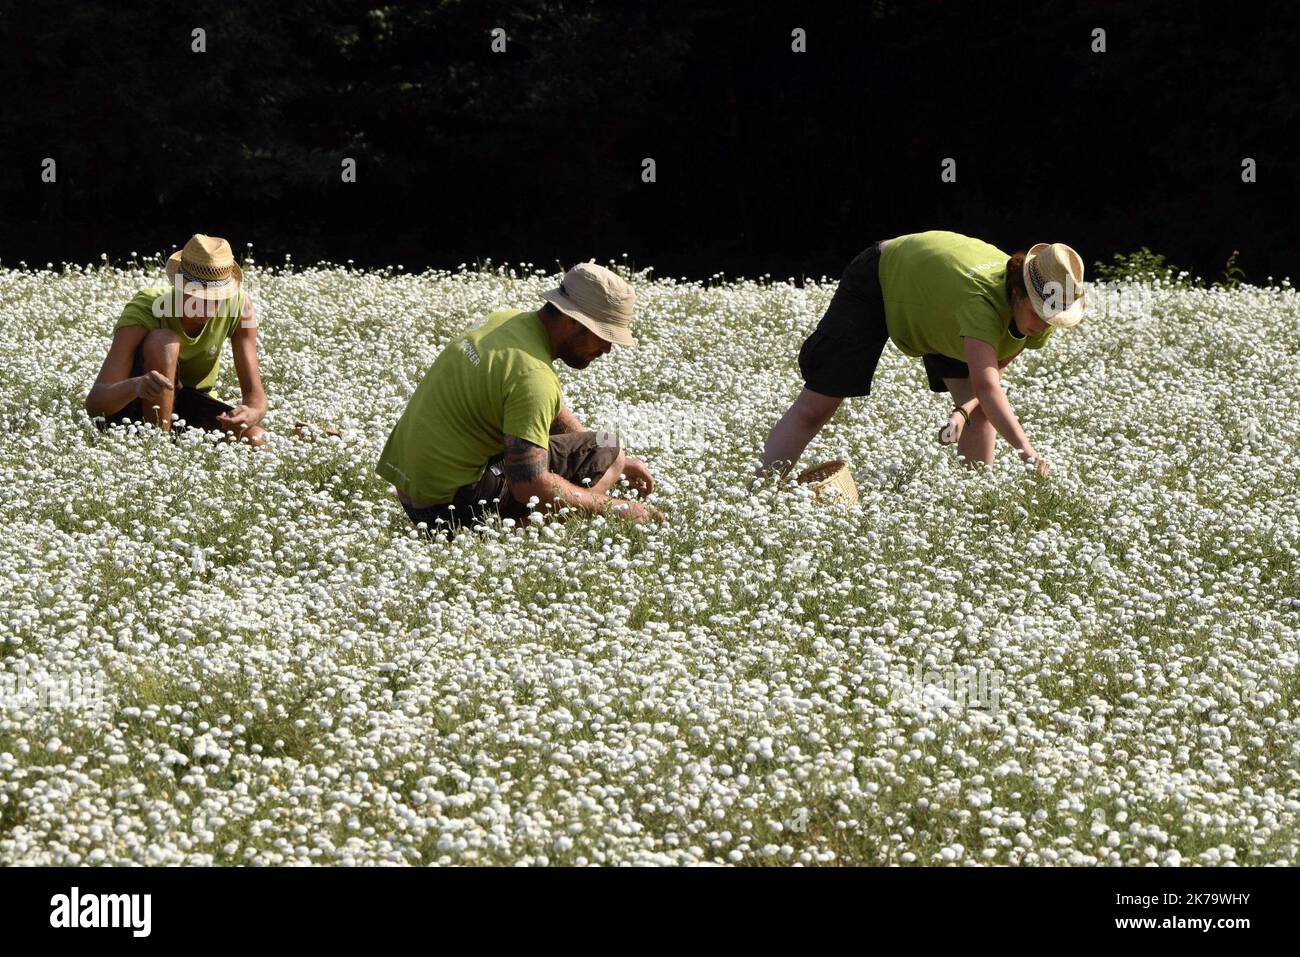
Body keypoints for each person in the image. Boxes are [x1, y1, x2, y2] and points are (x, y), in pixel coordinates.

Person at [759, 230, 1085, 477]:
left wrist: (961, 412)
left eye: (1052, 317)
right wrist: (1027, 453)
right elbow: (987, 389)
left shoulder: (1036, 317)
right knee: (817, 406)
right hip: (886, 277)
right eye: (1040, 314)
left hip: (942, 302)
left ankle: (975, 505)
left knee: (980, 412)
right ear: (1018, 294)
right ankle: (761, 491)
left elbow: (993, 375)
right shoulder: (982, 305)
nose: (1045, 325)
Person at [377, 261, 661, 535]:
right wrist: (613, 507)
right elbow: (529, 486)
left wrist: (612, 460)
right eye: (604, 334)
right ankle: (559, 527)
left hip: (414, 490)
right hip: (449, 510)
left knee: (610, 445)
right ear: (574, 320)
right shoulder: (533, 377)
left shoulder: (506, 321)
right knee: (573, 487)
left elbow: (550, 408)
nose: (608, 348)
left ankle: (583, 499)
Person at [85, 234, 267, 445]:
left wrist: (251, 413)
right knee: (164, 342)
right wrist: (136, 386)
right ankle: (156, 444)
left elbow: (256, 396)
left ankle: (168, 444)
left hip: (191, 405)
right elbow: (96, 403)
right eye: (197, 295)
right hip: (133, 411)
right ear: (179, 285)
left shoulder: (240, 306)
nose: (207, 306)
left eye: (217, 298)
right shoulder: (146, 308)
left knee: (256, 440)